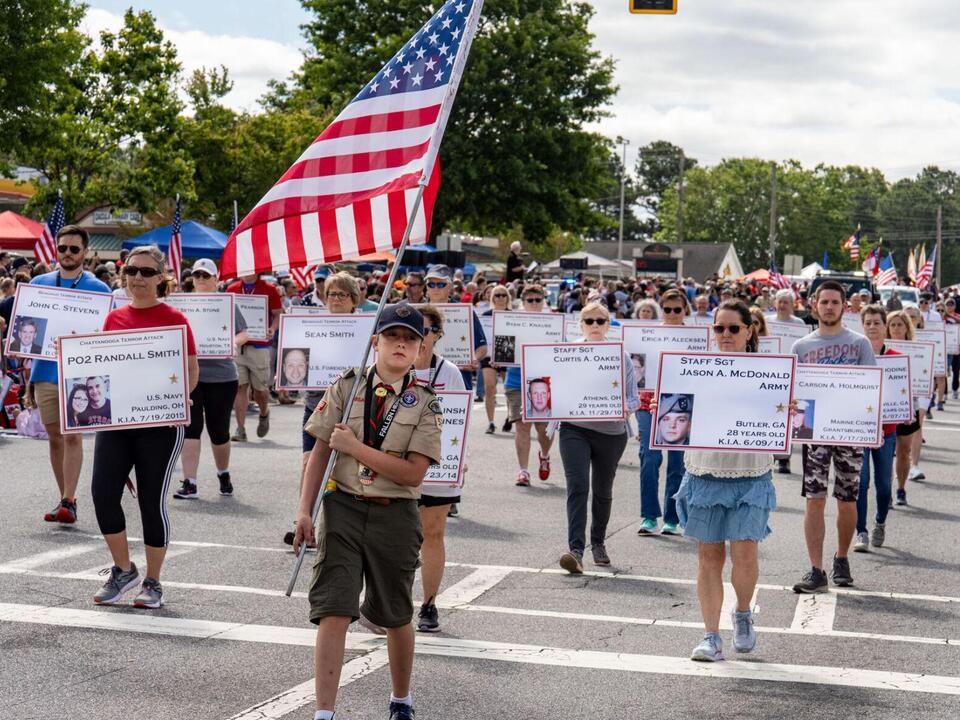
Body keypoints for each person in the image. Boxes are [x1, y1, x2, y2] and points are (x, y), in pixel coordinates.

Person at [292, 304, 441, 720]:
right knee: (333, 608)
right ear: (375, 341)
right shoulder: (346, 386)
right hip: (342, 506)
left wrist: (357, 448)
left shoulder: (426, 403)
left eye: (410, 339)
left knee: (395, 613)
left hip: (395, 513)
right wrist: (304, 511)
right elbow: (319, 451)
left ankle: (401, 699)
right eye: (392, 335)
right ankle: (324, 712)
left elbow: (413, 474)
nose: (400, 344)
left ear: (419, 350)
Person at [90, 245, 199, 609]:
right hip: (118, 422)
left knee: (151, 501)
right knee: (103, 493)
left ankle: (153, 581)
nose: (138, 277)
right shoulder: (114, 318)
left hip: (162, 425)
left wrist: (176, 397)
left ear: (162, 278)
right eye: (133, 270)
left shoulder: (175, 319)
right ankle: (124, 571)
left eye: (147, 272)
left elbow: (191, 372)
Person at [676, 300, 781, 662]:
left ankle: (742, 612)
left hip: (751, 471)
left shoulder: (770, 370)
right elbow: (677, 410)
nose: (725, 335)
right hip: (705, 469)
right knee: (709, 555)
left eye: (733, 328)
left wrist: (790, 411)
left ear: (749, 331)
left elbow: (783, 413)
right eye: (719, 328)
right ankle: (710, 635)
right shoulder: (693, 368)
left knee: (745, 552)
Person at [791, 280, 876, 593]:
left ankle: (841, 557)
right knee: (814, 498)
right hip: (814, 430)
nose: (828, 307)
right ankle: (816, 569)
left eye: (834, 302)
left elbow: (871, 391)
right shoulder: (800, 347)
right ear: (814, 304)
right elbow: (795, 393)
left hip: (849, 431)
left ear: (845, 306)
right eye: (823, 301)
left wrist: (869, 426)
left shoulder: (859, 344)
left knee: (846, 500)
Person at [27, 225, 111, 525]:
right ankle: (63, 496)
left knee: (72, 435)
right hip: (45, 372)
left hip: (79, 375)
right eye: (62, 248)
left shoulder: (99, 290)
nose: (67, 254)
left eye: (74, 249)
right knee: (54, 437)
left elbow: (104, 336)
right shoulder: (39, 283)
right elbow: (28, 332)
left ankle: (69, 501)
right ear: (56, 250)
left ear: (85, 252)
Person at [558, 302, 639, 573]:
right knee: (578, 486)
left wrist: (627, 406)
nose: (594, 326)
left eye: (600, 321)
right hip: (574, 428)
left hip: (611, 433)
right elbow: (553, 386)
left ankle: (598, 542)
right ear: (580, 324)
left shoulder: (622, 356)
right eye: (589, 321)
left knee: (603, 491)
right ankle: (576, 550)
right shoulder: (568, 352)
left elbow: (633, 397)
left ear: (608, 325)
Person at [284, 272, 362, 548]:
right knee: (309, 462)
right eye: (331, 294)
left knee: (346, 469)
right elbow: (294, 360)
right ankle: (304, 521)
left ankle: (340, 525)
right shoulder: (311, 324)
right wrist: (286, 378)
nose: (336, 299)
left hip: (355, 410)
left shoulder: (365, 329)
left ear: (354, 299)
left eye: (342, 294)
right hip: (316, 404)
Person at [410, 304, 467, 633]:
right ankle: (393, 599)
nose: (419, 336)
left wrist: (462, 459)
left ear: (438, 335)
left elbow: (459, 422)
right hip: (396, 464)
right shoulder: (389, 366)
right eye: (412, 330)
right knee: (399, 536)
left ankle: (429, 603)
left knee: (432, 534)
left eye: (426, 330)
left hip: (438, 466)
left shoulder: (449, 372)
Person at [174, 258, 249, 500]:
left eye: (206, 275)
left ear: (216, 279)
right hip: (191, 374)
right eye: (197, 275)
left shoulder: (227, 303)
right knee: (191, 428)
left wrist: (234, 343)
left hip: (222, 376)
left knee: (219, 431)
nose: (201, 280)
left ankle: (223, 474)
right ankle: (190, 482)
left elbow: (244, 332)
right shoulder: (182, 305)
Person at [637, 288, 689, 535]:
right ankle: (648, 515)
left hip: (681, 404)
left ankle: (672, 518)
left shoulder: (695, 337)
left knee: (677, 463)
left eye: (676, 310)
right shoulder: (649, 334)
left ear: (684, 311)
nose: (671, 314)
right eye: (667, 309)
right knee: (649, 457)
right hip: (649, 402)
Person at [853, 305, 897, 551]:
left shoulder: (896, 357)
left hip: (887, 429)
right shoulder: (855, 355)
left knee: (883, 484)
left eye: (876, 322)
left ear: (885, 326)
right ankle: (861, 531)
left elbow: (904, 393)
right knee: (861, 482)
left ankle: (880, 521)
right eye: (868, 322)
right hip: (860, 428)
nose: (872, 326)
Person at [503, 284, 554, 487]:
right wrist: (500, 359)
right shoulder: (512, 322)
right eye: (530, 300)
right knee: (522, 426)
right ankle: (523, 471)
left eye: (538, 300)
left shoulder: (553, 323)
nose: (534, 304)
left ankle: (545, 454)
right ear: (523, 302)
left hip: (544, 382)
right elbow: (503, 347)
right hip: (516, 380)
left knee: (543, 429)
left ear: (543, 302)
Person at [226, 272, 283, 442]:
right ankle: (240, 428)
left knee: (261, 391)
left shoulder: (269, 288)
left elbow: (278, 313)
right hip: (239, 345)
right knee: (240, 387)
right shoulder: (232, 289)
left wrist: (272, 329)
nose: (247, 271)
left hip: (259, 345)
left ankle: (264, 413)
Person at [886, 310, 921, 506]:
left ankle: (901, 488)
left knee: (904, 451)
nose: (897, 328)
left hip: (910, 405)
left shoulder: (918, 351)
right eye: (893, 325)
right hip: (888, 407)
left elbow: (924, 379)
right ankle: (887, 490)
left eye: (900, 324)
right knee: (886, 451)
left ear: (907, 327)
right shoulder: (881, 350)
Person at [481, 286, 511, 434]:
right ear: (492, 298)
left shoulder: (512, 316)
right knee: (489, 387)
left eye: (503, 295)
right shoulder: (486, 315)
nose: (500, 298)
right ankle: (491, 422)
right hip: (488, 356)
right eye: (497, 295)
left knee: (509, 389)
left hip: (507, 355)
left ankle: (509, 416)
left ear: (507, 297)